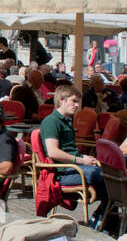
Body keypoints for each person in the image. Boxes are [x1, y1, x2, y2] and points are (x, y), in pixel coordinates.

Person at [39, 85, 105, 219]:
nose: (77, 105)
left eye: (78, 102)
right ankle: (101, 220)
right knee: (109, 178)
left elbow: (69, 150)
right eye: (73, 101)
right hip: (62, 174)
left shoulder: (66, 121)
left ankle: (103, 220)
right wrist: (82, 160)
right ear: (62, 100)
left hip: (73, 168)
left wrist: (84, 157)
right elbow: (53, 152)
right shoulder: (51, 121)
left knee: (113, 180)